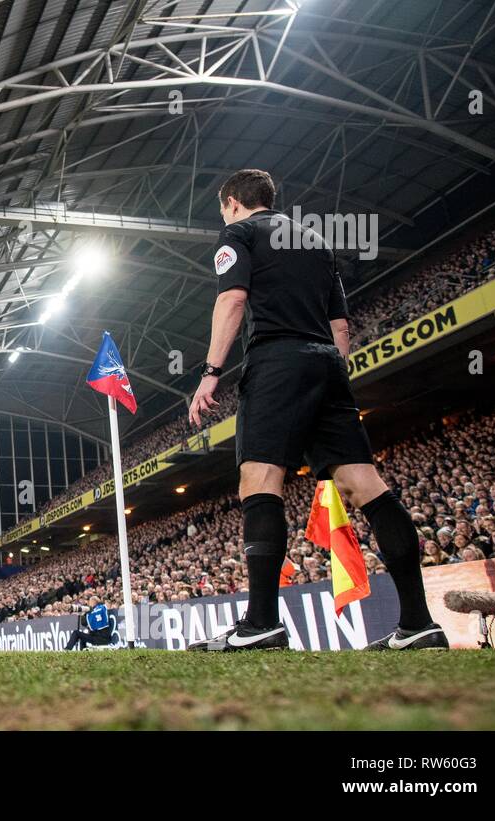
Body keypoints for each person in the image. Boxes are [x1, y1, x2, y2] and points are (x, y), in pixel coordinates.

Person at [187, 169, 446, 651]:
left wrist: (210, 371)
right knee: (364, 483)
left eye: (222, 207)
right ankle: (418, 622)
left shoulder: (238, 233)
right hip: (327, 363)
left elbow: (233, 298)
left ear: (232, 203)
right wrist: (330, 377)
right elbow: (340, 323)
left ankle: (261, 623)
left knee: (260, 479)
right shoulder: (313, 239)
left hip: (276, 360)